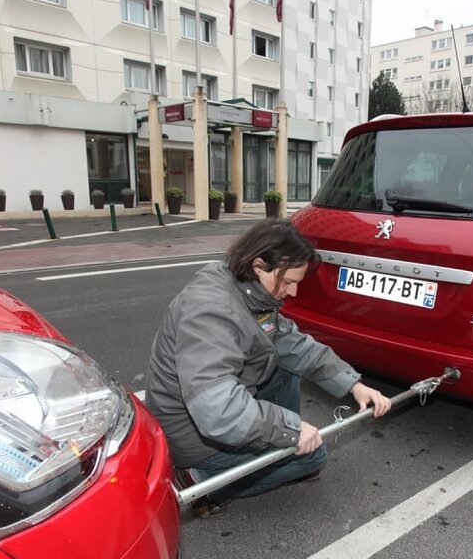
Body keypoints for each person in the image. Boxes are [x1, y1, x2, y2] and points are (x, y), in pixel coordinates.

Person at [145, 220, 392, 518]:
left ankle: (273, 447)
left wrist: (354, 385)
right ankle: (203, 480)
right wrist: (290, 430)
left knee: (285, 366)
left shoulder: (249, 290)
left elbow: (294, 344)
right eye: (288, 282)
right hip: (193, 432)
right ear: (259, 264)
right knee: (314, 457)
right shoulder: (211, 311)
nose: (294, 292)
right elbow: (218, 411)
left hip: (204, 411)